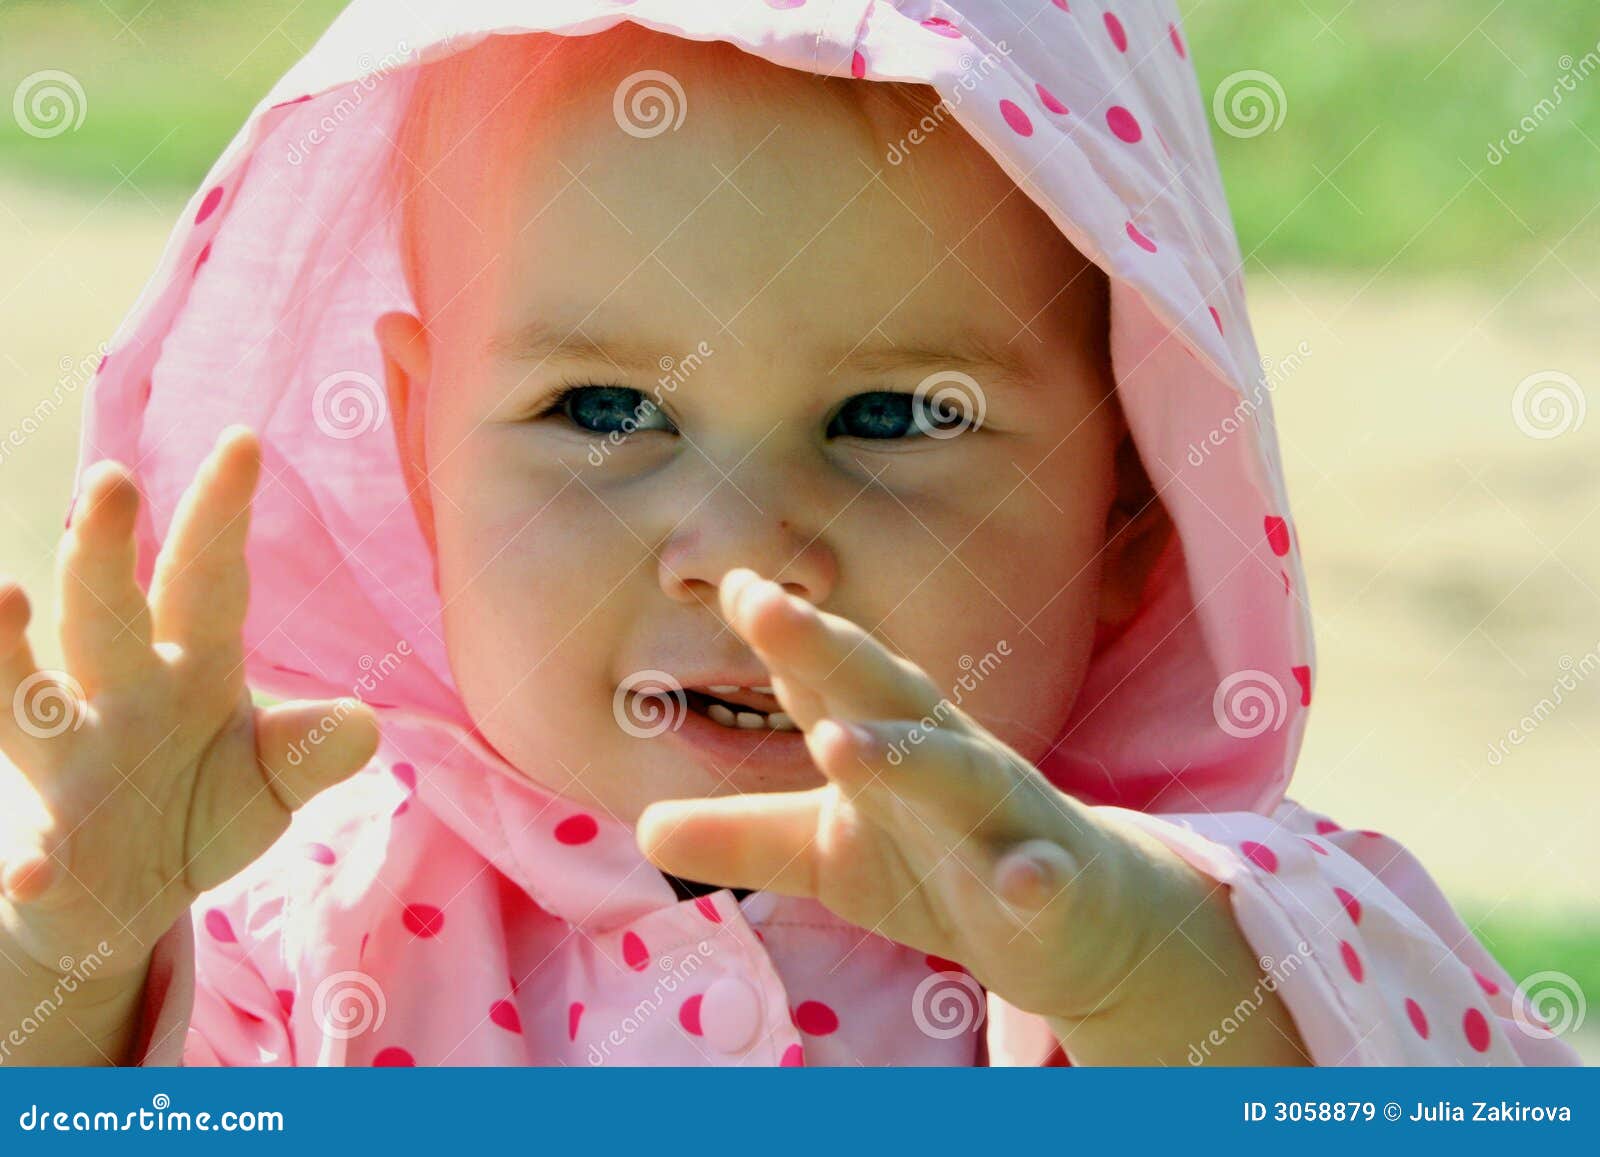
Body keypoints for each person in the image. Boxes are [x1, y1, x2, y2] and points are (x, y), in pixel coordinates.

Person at [0, 1, 1578, 1067]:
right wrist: (78, 942)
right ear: (419, 459)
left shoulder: (1224, 928)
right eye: (607, 409)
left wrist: (1118, 967)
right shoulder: (298, 944)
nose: (743, 554)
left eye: (895, 420)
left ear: (1131, 521)